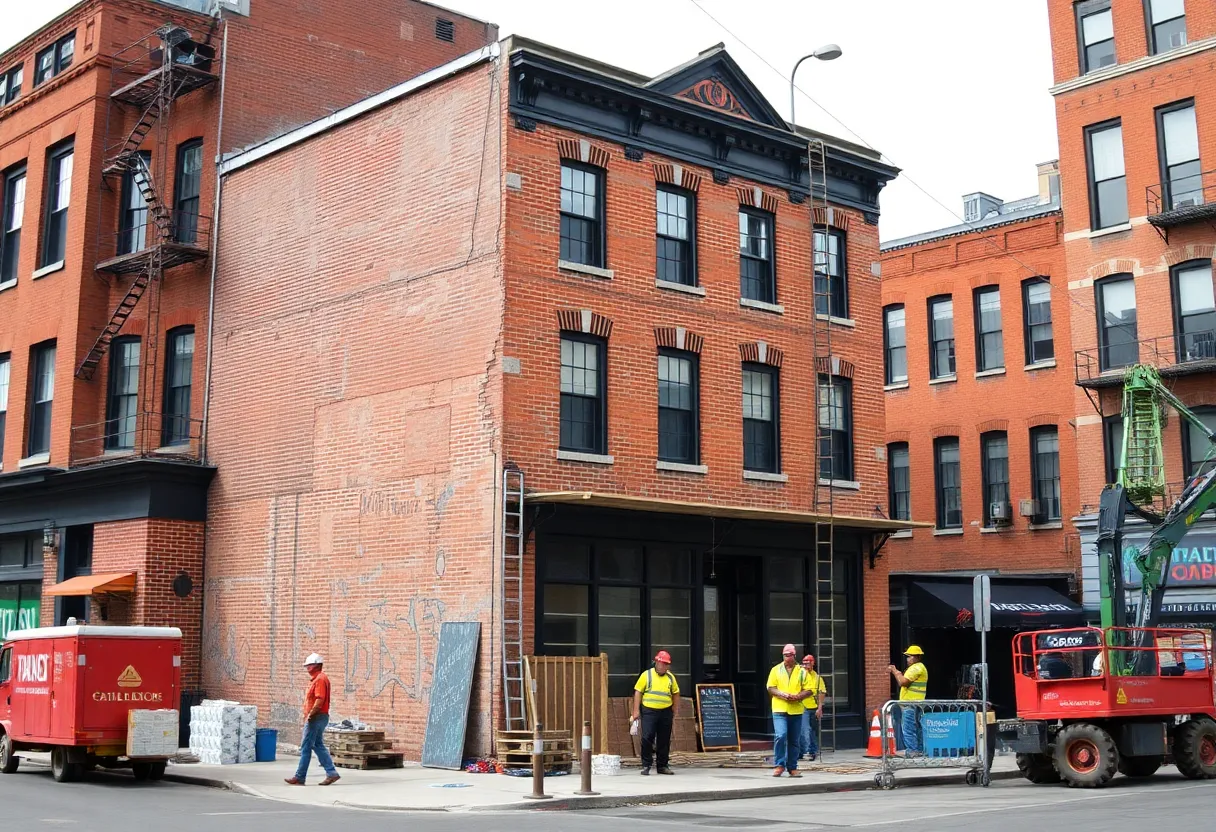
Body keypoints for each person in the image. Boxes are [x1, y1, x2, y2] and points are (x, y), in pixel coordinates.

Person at [284, 652, 341, 786]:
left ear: (316, 665)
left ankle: (300, 777)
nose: (307, 668)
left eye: (309, 665)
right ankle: (332, 773)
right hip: (320, 717)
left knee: (305, 747)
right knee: (317, 745)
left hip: (316, 717)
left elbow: (319, 699)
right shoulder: (319, 678)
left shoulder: (320, 679)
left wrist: (311, 714)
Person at [632, 650, 680, 776]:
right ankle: (646, 764)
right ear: (656, 662)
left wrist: (675, 709)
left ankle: (662, 765)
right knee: (647, 737)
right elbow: (638, 692)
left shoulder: (670, 677)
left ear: (668, 666)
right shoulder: (646, 675)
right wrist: (636, 711)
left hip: (665, 711)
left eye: (664, 664)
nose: (661, 666)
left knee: (664, 739)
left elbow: (676, 693)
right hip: (649, 711)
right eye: (660, 663)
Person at [767, 644, 812, 777]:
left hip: (796, 710)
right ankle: (779, 764)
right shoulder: (776, 670)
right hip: (780, 709)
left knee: (794, 740)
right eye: (785, 655)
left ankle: (792, 767)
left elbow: (809, 689)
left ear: (794, 655)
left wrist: (798, 696)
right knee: (781, 735)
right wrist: (783, 695)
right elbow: (770, 687)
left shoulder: (802, 671)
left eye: (790, 655)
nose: (787, 658)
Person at [888, 645, 928, 757]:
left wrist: (895, 672)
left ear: (916, 657)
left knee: (908, 728)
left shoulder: (916, 668)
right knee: (917, 728)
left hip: (911, 704)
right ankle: (919, 750)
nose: (907, 659)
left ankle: (912, 751)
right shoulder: (919, 668)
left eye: (909, 656)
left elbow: (903, 682)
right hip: (916, 704)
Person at [800, 654, 828, 762]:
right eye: (805, 662)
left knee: (813, 730)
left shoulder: (817, 677)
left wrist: (820, 707)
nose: (806, 665)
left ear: (813, 663)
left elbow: (822, 692)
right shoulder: (801, 674)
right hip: (803, 705)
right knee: (804, 729)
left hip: (814, 706)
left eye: (808, 662)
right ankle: (805, 751)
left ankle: (812, 751)